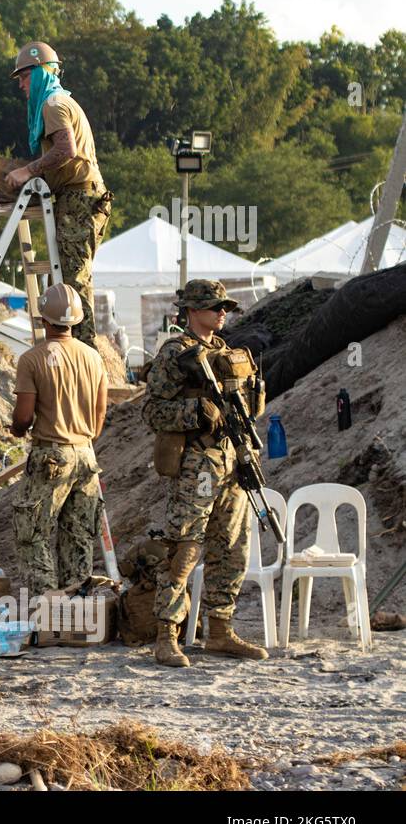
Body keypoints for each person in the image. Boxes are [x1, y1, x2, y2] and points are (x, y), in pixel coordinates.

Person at [142, 279, 268, 667]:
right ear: (192, 311)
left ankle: (220, 631)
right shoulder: (175, 354)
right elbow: (152, 411)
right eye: (214, 307)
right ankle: (167, 635)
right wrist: (195, 414)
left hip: (231, 459)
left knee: (232, 547)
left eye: (224, 307)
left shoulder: (226, 354)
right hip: (196, 463)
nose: (222, 313)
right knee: (184, 548)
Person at [4, 42, 112, 349]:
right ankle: (76, 347)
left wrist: (29, 171)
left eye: (25, 77)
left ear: (39, 73)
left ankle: (83, 351)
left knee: (73, 282)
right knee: (67, 278)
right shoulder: (59, 102)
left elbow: (67, 150)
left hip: (79, 197)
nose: (22, 85)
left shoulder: (53, 104)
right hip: (77, 197)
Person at [10, 283, 108, 596]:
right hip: (85, 455)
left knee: (33, 533)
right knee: (78, 536)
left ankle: (46, 604)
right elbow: (100, 413)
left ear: (43, 318)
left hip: (50, 456)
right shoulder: (93, 357)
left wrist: (17, 429)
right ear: (76, 320)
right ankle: (77, 605)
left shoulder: (32, 359)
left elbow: (24, 416)